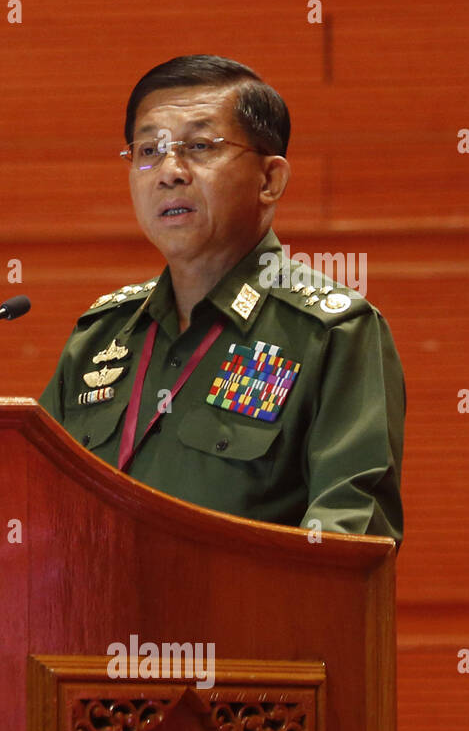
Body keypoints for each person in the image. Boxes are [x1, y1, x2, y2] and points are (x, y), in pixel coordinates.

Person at [38, 55, 404, 542]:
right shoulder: (98, 337)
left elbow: (348, 538)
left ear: (269, 180)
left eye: (199, 146)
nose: (169, 171)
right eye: (148, 150)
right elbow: (29, 501)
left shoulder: (331, 334)